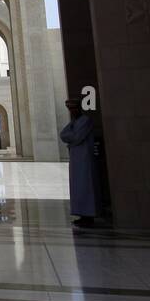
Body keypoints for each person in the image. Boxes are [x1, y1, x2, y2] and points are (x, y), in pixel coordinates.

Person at [61, 97, 100, 228]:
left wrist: (70, 138)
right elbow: (63, 134)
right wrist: (71, 136)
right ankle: (82, 214)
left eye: (73, 108)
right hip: (76, 158)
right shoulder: (74, 122)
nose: (72, 111)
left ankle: (89, 215)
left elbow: (75, 137)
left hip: (85, 159)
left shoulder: (85, 121)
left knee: (86, 186)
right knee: (78, 186)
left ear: (79, 108)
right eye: (70, 109)